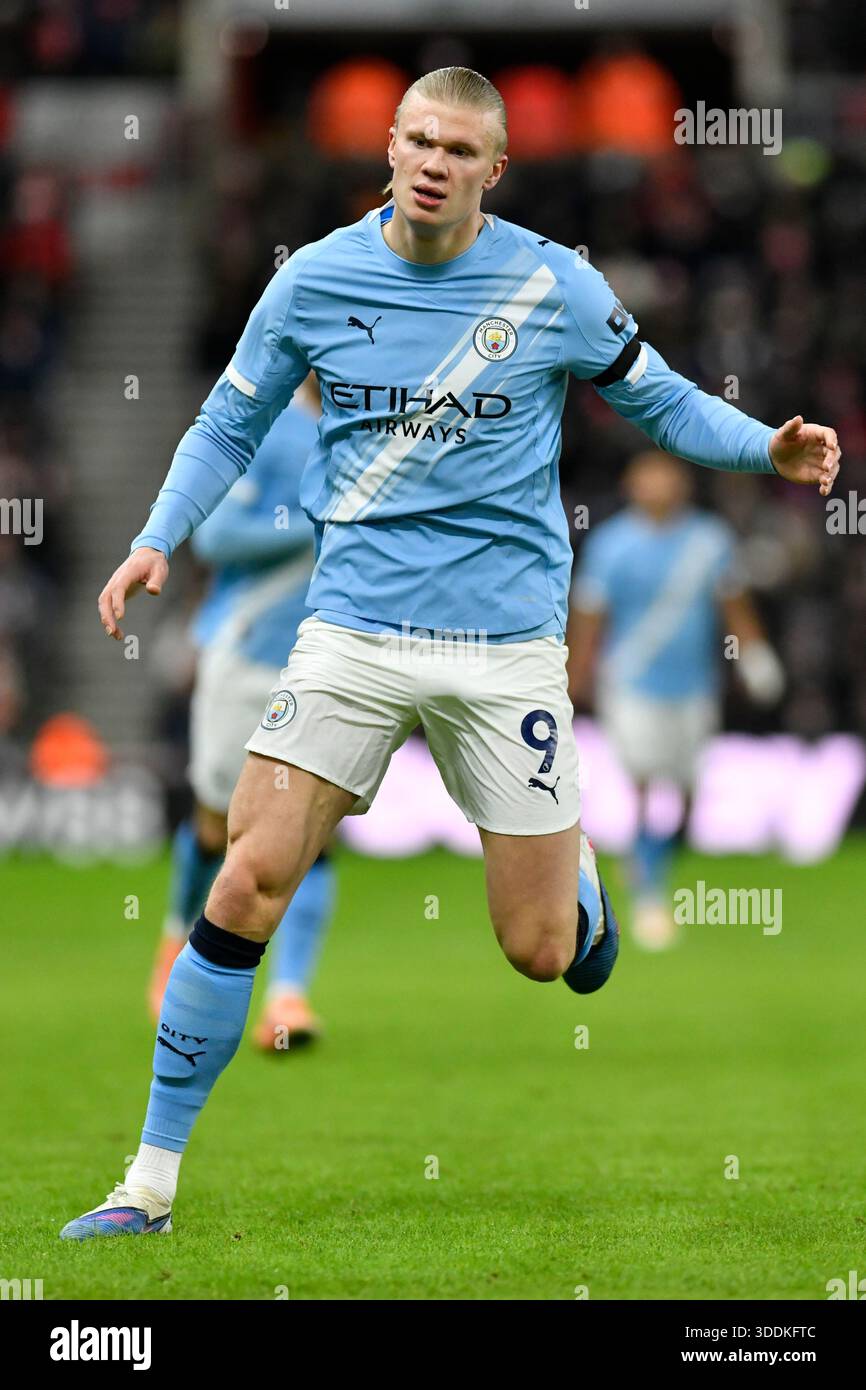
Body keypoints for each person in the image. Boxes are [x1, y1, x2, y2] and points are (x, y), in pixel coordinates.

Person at [64, 66, 840, 1239]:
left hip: (503, 647)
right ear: (387, 145)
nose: (432, 162)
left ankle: (574, 888)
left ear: (494, 169)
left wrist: (760, 449)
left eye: (458, 149)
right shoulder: (314, 280)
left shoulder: (553, 284)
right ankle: (149, 1184)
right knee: (247, 875)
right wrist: (155, 538)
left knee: (539, 956)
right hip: (352, 634)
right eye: (417, 139)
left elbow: (663, 401)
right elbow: (226, 419)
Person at [149, 373, 335, 1046]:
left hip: (329, 657)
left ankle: (288, 999)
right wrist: (318, 524)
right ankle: (176, 937)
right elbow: (218, 539)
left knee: (315, 830)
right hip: (245, 646)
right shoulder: (270, 428)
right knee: (215, 821)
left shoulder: (380, 428)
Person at [566, 449, 785, 949]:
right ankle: (649, 894)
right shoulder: (612, 544)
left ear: (682, 483)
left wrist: (755, 656)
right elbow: (590, 618)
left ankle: (654, 857)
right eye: (646, 475)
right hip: (630, 686)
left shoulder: (709, 541)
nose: (656, 485)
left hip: (692, 687)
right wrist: (573, 683)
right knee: (644, 785)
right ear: (630, 484)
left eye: (665, 475)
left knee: (687, 792)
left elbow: (733, 604)